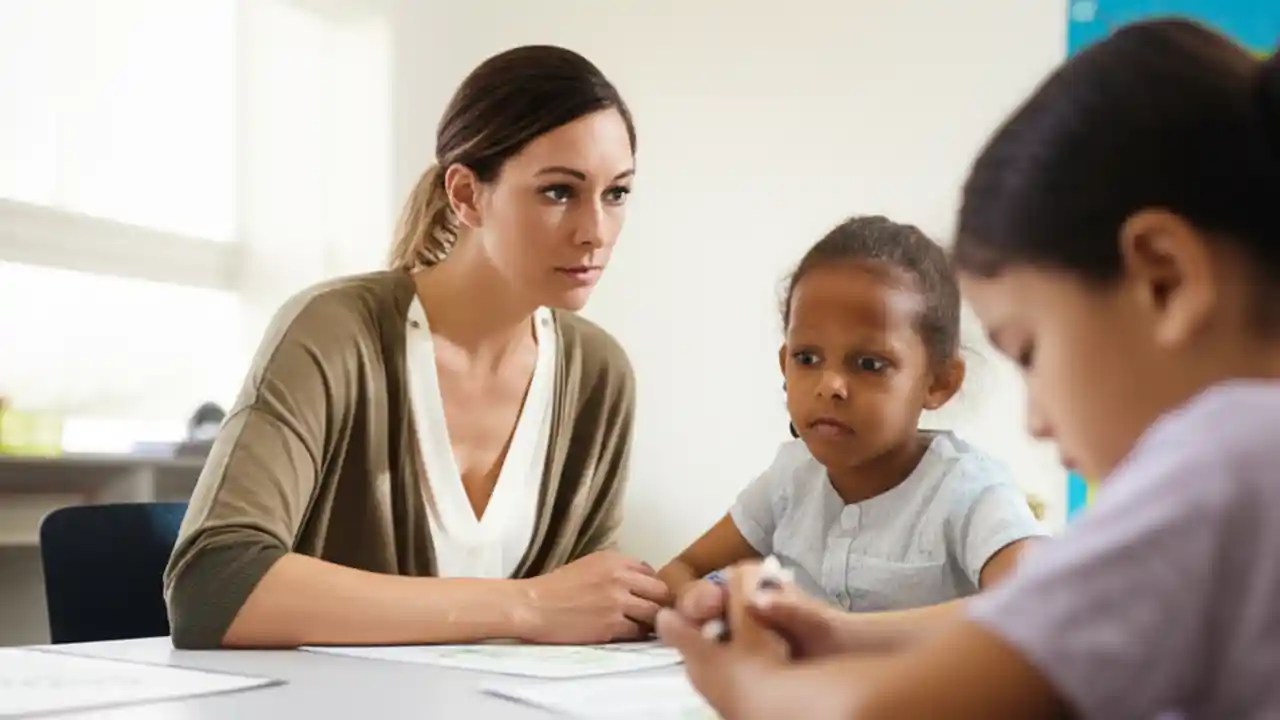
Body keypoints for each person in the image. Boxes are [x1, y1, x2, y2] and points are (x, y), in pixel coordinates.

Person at [657, 19, 1280, 719]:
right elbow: (1037, 623)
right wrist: (833, 632)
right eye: (807, 357)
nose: (1036, 420)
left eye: (1030, 351)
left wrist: (746, 685)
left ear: (1164, 281)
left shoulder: (1232, 460)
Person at [164, 44, 671, 650]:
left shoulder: (599, 375)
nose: (595, 231)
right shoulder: (335, 333)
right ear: (467, 195)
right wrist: (526, 605)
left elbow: (587, 613)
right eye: (559, 192)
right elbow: (213, 587)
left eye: (617, 194)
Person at [657, 216, 1043, 647]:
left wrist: (837, 632)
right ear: (784, 364)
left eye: (869, 365)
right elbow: (681, 570)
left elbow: (1035, 605)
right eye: (807, 358)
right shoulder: (789, 480)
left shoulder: (968, 491)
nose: (829, 385)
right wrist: (702, 600)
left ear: (938, 383)